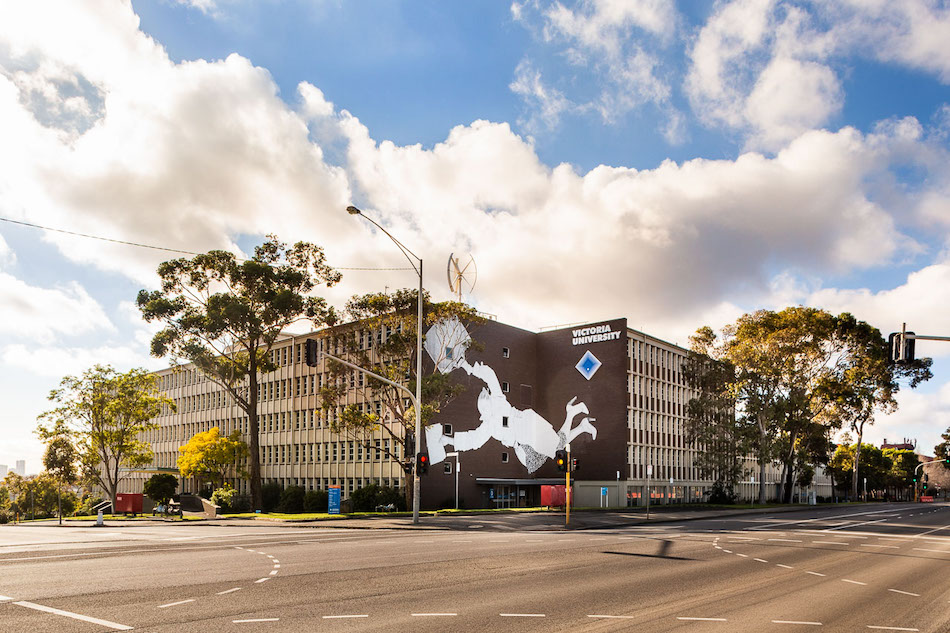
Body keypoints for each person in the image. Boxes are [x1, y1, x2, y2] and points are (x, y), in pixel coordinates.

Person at [423, 317, 596, 473]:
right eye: (484, 396)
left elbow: (490, 377)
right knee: (549, 451)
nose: (485, 395)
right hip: (523, 440)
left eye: (485, 395)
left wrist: (468, 367)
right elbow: (471, 440)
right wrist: (447, 439)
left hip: (526, 429)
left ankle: (573, 415)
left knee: (554, 448)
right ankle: (579, 424)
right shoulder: (489, 421)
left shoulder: (497, 404)